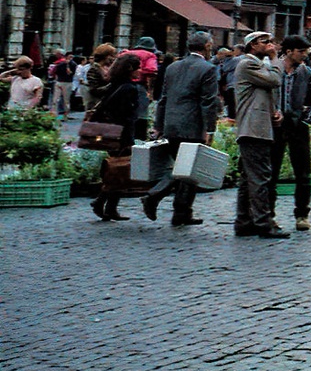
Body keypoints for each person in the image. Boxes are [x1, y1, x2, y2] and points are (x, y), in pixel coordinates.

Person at [141, 31, 220, 227]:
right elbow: (208, 102)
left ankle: (182, 213)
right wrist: (209, 129)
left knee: (188, 169)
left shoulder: (173, 67)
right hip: (193, 125)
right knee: (187, 169)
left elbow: (163, 98)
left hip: (172, 123)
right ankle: (155, 196)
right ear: (207, 46)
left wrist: (159, 125)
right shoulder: (208, 69)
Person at [232, 31, 287, 239]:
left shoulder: (256, 64)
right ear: (253, 45)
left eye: (272, 42)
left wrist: (274, 110)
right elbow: (274, 80)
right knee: (260, 177)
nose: (271, 45)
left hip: (257, 126)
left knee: (249, 178)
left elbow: (264, 92)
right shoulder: (248, 64)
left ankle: (244, 221)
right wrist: (275, 59)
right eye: (266, 42)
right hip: (253, 129)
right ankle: (263, 223)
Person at [86, 52, 147, 222]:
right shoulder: (129, 88)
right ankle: (101, 202)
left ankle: (109, 207)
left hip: (111, 133)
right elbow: (127, 116)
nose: (140, 71)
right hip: (122, 135)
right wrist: (130, 138)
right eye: (138, 68)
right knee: (119, 170)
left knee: (118, 170)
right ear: (130, 69)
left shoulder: (115, 84)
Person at [272, 35, 311, 232]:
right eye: (301, 51)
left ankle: (302, 214)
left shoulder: (307, 73)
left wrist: (303, 118)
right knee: (271, 171)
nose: (304, 55)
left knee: (303, 172)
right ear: (289, 51)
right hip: (275, 125)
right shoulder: (274, 70)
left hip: (297, 126)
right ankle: (269, 214)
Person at [215, 46, 238, 119]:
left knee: (230, 103)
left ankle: (231, 117)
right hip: (221, 83)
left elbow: (225, 68)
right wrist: (217, 58)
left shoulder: (234, 60)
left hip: (230, 85)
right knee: (225, 101)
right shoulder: (219, 61)